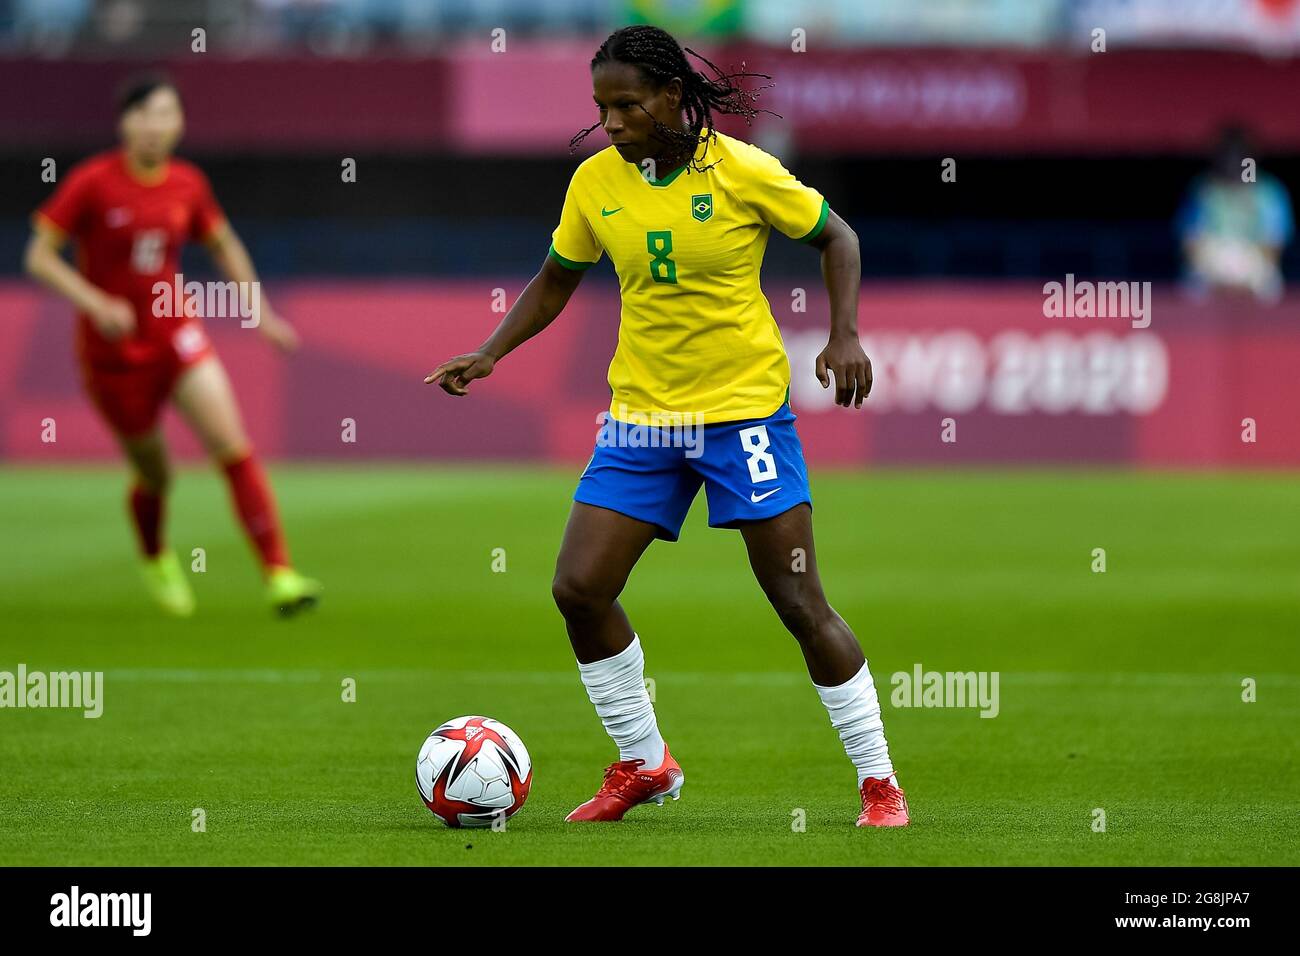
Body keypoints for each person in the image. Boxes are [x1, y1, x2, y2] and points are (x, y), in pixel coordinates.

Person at [427, 26, 907, 827]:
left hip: (742, 417)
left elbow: (838, 237)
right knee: (579, 589)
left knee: (797, 601)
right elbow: (555, 280)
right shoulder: (594, 185)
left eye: (626, 104)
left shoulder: (742, 169)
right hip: (642, 423)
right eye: (601, 108)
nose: (611, 123)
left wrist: (845, 333)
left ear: (673, 97)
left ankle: (879, 783)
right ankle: (644, 762)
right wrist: (490, 353)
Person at [24, 74, 321, 617]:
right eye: (146, 115)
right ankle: (155, 554)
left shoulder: (187, 183)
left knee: (232, 446)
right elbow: (39, 256)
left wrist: (259, 312)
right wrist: (94, 302)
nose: (156, 126)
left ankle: (280, 574)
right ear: (126, 122)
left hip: (176, 335)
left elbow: (223, 242)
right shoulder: (93, 182)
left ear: (180, 123)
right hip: (113, 356)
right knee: (157, 473)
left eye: (166, 115)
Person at [1178, 125, 1294, 303]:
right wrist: (1219, 275)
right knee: (1193, 285)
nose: (1233, 160)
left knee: (1269, 286)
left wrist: (1243, 275)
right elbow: (1191, 243)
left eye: (1240, 155)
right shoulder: (1203, 190)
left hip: (1252, 264)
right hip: (1213, 265)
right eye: (1228, 154)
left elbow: (1273, 246)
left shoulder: (1267, 192)